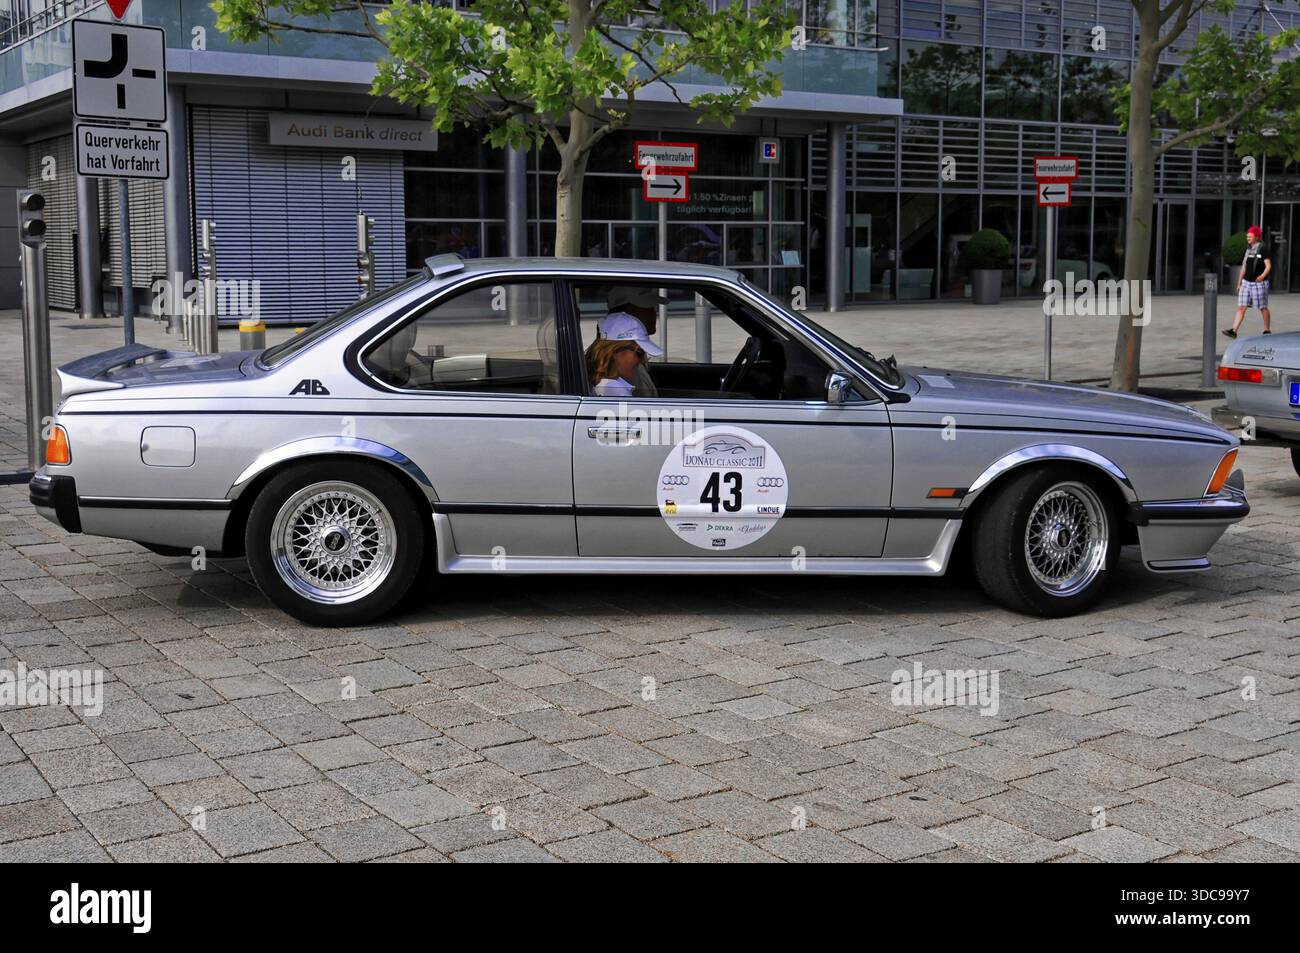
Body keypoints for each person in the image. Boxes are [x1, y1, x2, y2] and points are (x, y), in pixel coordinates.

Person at [598, 286, 666, 395]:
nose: (654, 314)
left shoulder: (625, 361)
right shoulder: (614, 384)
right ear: (627, 312)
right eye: (648, 308)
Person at [1224, 225, 1272, 338]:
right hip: (1246, 283)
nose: (1248, 238)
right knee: (1241, 307)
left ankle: (1267, 329)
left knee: (1263, 306)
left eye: (1250, 237)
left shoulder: (1263, 249)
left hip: (1259, 283)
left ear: (1257, 237)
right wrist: (1239, 282)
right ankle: (1234, 331)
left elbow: (1268, 266)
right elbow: (1244, 267)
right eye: (1247, 237)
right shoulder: (1248, 248)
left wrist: (1262, 276)